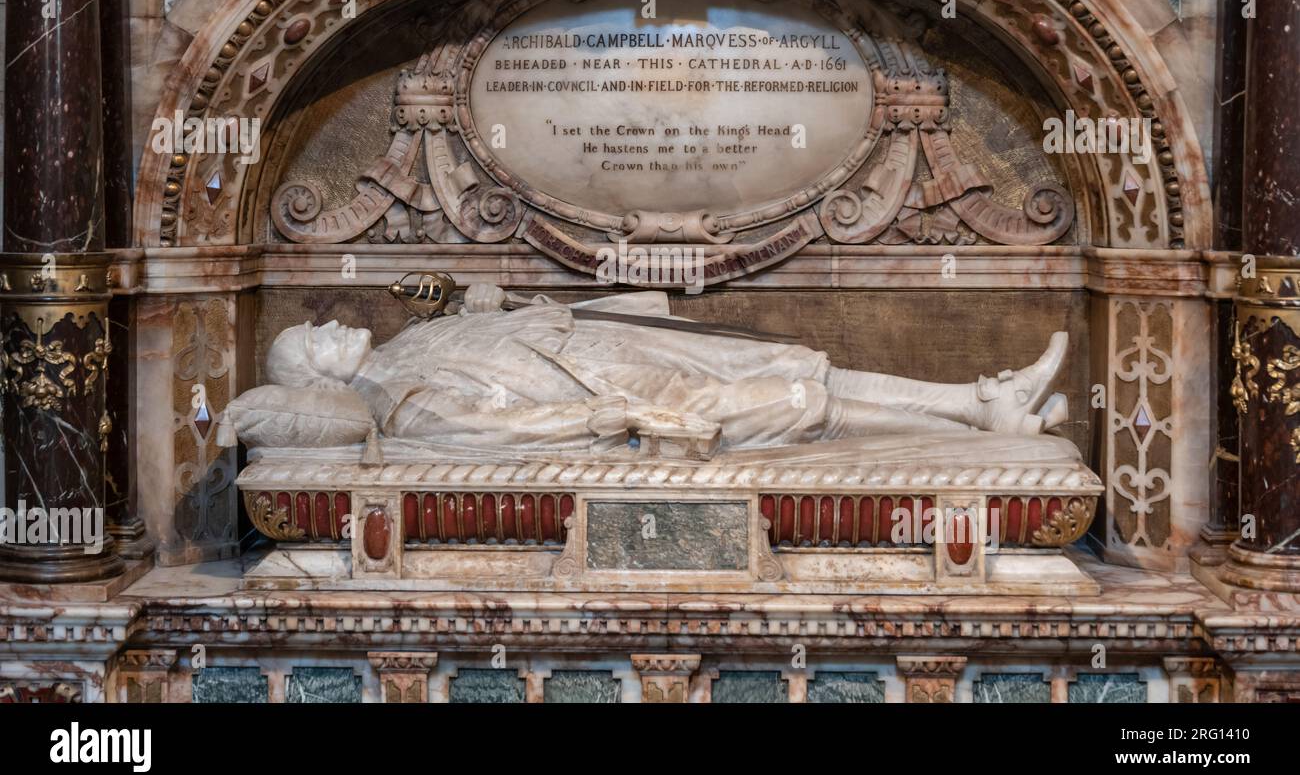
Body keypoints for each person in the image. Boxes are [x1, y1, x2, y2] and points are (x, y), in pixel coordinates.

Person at [264, 284, 1068, 453]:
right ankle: (979, 419)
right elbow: (493, 423)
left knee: (790, 357)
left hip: (607, 344)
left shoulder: (407, 340)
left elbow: (500, 334)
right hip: (610, 390)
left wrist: (490, 305)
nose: (329, 324)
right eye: (313, 339)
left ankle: (976, 399)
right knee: (792, 398)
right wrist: (593, 421)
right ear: (319, 385)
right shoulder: (396, 400)